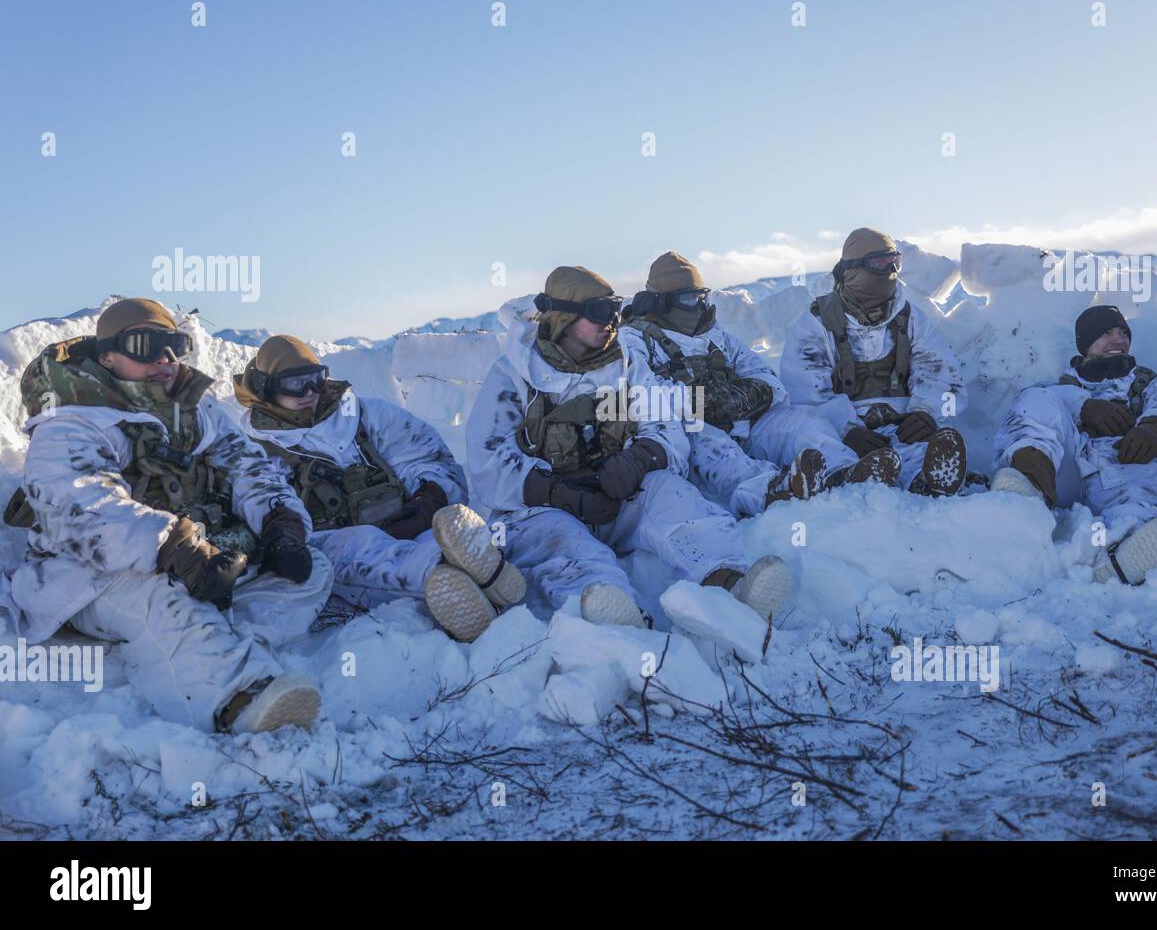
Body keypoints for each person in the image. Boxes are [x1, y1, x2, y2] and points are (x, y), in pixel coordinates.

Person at [1, 299, 331, 733]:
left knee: (312, 568)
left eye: (175, 345)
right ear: (107, 356)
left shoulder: (196, 411)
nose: (165, 359)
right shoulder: (73, 419)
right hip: (91, 574)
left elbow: (250, 466)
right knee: (165, 596)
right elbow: (81, 505)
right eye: (145, 345)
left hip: (200, 558)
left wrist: (281, 524)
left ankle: (204, 640)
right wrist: (179, 550)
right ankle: (239, 700)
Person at [466, 266, 791, 628]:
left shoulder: (624, 362)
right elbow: (488, 463)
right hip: (542, 510)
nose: (612, 322)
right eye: (600, 312)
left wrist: (640, 458)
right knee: (571, 549)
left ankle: (728, 585)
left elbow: (664, 421)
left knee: (674, 496)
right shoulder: (514, 376)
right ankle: (618, 620)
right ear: (564, 318)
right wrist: (561, 495)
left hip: (615, 497)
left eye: (615, 310)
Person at [234, 334, 524, 642]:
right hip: (335, 545)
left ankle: (470, 567)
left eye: (316, 380)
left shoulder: (365, 416)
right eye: (295, 384)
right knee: (357, 549)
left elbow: (423, 455)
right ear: (268, 388)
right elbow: (264, 516)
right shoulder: (255, 451)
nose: (309, 392)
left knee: (438, 533)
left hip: (406, 523)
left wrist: (430, 496)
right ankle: (446, 575)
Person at [619, 251, 899, 518]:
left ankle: (845, 472)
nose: (699, 305)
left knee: (801, 420)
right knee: (709, 442)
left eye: (701, 296)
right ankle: (771, 491)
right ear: (662, 302)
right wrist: (706, 402)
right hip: (693, 434)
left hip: (744, 424)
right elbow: (643, 395)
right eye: (689, 299)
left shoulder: (716, 336)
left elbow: (768, 380)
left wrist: (745, 397)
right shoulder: (635, 340)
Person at [991, 304, 1157, 584]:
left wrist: (1154, 428)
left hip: (1132, 465)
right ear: (1085, 345)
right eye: (1105, 333)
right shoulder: (1056, 389)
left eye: (1123, 332)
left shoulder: (1151, 381)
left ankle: (1124, 554)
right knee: (1034, 398)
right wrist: (1084, 406)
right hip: (1073, 475)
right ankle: (1029, 490)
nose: (1119, 339)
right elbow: (1033, 412)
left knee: (1143, 495)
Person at [781, 227, 969, 496]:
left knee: (921, 443)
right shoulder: (817, 323)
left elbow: (939, 371)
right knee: (814, 435)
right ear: (853, 269)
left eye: (895, 261)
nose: (890, 270)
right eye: (880, 263)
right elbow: (806, 391)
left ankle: (925, 480)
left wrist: (925, 412)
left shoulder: (909, 318)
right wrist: (847, 429)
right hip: (841, 424)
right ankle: (847, 476)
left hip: (901, 416)